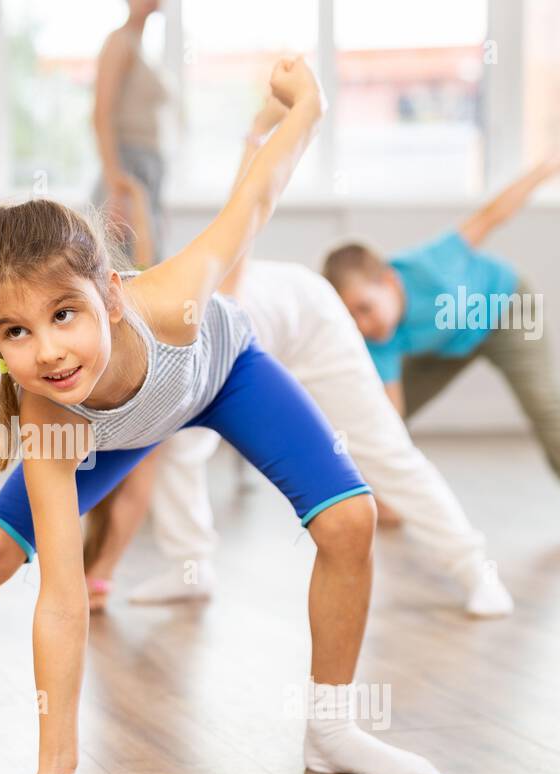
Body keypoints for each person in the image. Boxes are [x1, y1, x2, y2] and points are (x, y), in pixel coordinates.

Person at [0, 59, 445, 774]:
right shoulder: (49, 411)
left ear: (111, 296)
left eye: (64, 314)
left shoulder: (175, 302)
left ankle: (331, 730)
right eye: (16, 331)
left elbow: (255, 201)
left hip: (222, 377)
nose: (48, 349)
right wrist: (58, 762)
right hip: (112, 429)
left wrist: (306, 108)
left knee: (350, 520)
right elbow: (61, 594)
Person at [82, 99, 514, 619]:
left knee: (384, 450)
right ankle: (189, 566)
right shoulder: (145, 359)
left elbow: (244, 215)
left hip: (311, 323)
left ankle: (474, 566)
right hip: (234, 351)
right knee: (179, 449)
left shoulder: (185, 306)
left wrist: (257, 134)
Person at [323, 156, 560, 540]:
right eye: (352, 318)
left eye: (365, 308)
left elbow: (492, 215)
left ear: (389, 280)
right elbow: (390, 420)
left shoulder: (430, 265)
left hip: (505, 311)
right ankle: (354, 491)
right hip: (448, 346)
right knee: (374, 415)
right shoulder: (378, 336)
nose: (364, 325)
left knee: (543, 400)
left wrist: (543, 170)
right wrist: (385, 493)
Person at [92, 0, 169, 264]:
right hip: (128, 170)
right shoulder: (119, 42)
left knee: (150, 269)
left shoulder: (142, 46)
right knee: (130, 275)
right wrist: (117, 189)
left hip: (147, 171)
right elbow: (101, 115)